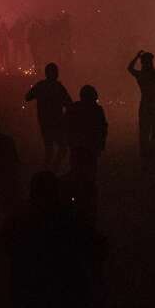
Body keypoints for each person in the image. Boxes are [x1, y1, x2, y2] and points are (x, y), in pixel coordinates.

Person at [3, 171, 106, 308]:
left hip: (32, 301)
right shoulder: (68, 217)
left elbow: (1, 244)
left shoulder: (21, 220)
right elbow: (97, 247)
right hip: (68, 298)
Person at [64, 85, 108, 223]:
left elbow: (65, 125)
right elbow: (103, 129)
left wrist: (69, 142)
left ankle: (78, 204)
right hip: (89, 149)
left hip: (77, 148)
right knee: (89, 176)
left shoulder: (74, 108)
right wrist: (100, 146)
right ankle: (87, 206)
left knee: (77, 174)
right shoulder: (96, 110)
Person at [24, 63, 73, 171]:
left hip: (44, 122)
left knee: (49, 149)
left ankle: (47, 172)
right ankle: (52, 170)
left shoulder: (41, 86)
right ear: (56, 74)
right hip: (56, 122)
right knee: (62, 148)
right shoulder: (58, 87)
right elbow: (69, 104)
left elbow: (27, 97)